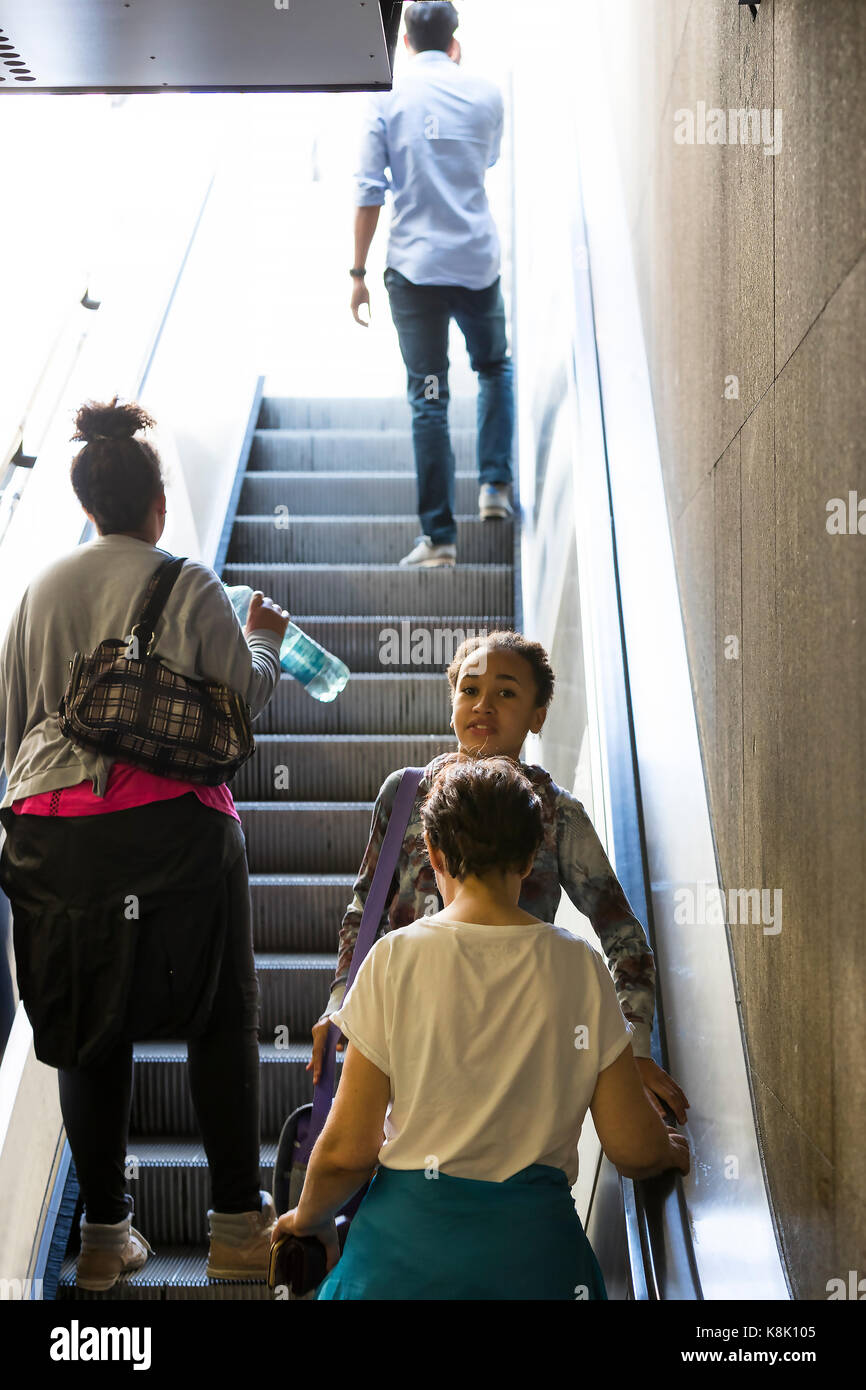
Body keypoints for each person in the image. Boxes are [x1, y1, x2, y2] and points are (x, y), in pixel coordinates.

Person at [0, 396, 291, 1290]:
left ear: (90, 505)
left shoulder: (41, 589)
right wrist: (265, 644)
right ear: (157, 506)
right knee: (216, 1018)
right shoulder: (191, 583)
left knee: (89, 1031)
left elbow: (12, 733)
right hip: (178, 832)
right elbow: (238, 717)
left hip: (54, 841)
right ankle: (238, 1228)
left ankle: (101, 1237)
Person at [275, 752, 690, 1299]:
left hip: (398, 1265)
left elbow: (351, 1149)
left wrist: (307, 1220)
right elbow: (632, 1148)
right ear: (530, 857)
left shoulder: (394, 959)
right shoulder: (581, 967)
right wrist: (668, 1150)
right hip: (538, 1264)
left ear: (435, 852)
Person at [309, 631, 690, 1131]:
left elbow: (624, 935)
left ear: (538, 716)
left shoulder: (556, 814)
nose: (483, 705)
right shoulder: (404, 795)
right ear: (452, 705)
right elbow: (365, 909)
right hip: (405, 1034)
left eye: (506, 693)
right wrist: (341, 1003)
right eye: (470, 690)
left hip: (512, 1045)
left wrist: (633, 1048)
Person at [350, 1, 514, 567]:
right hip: (475, 263)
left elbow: (370, 188)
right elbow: (487, 160)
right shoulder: (487, 94)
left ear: (403, 37)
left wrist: (357, 274)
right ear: (454, 41)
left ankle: (440, 539)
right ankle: (494, 486)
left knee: (429, 398)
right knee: (493, 366)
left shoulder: (385, 95)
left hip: (414, 271)